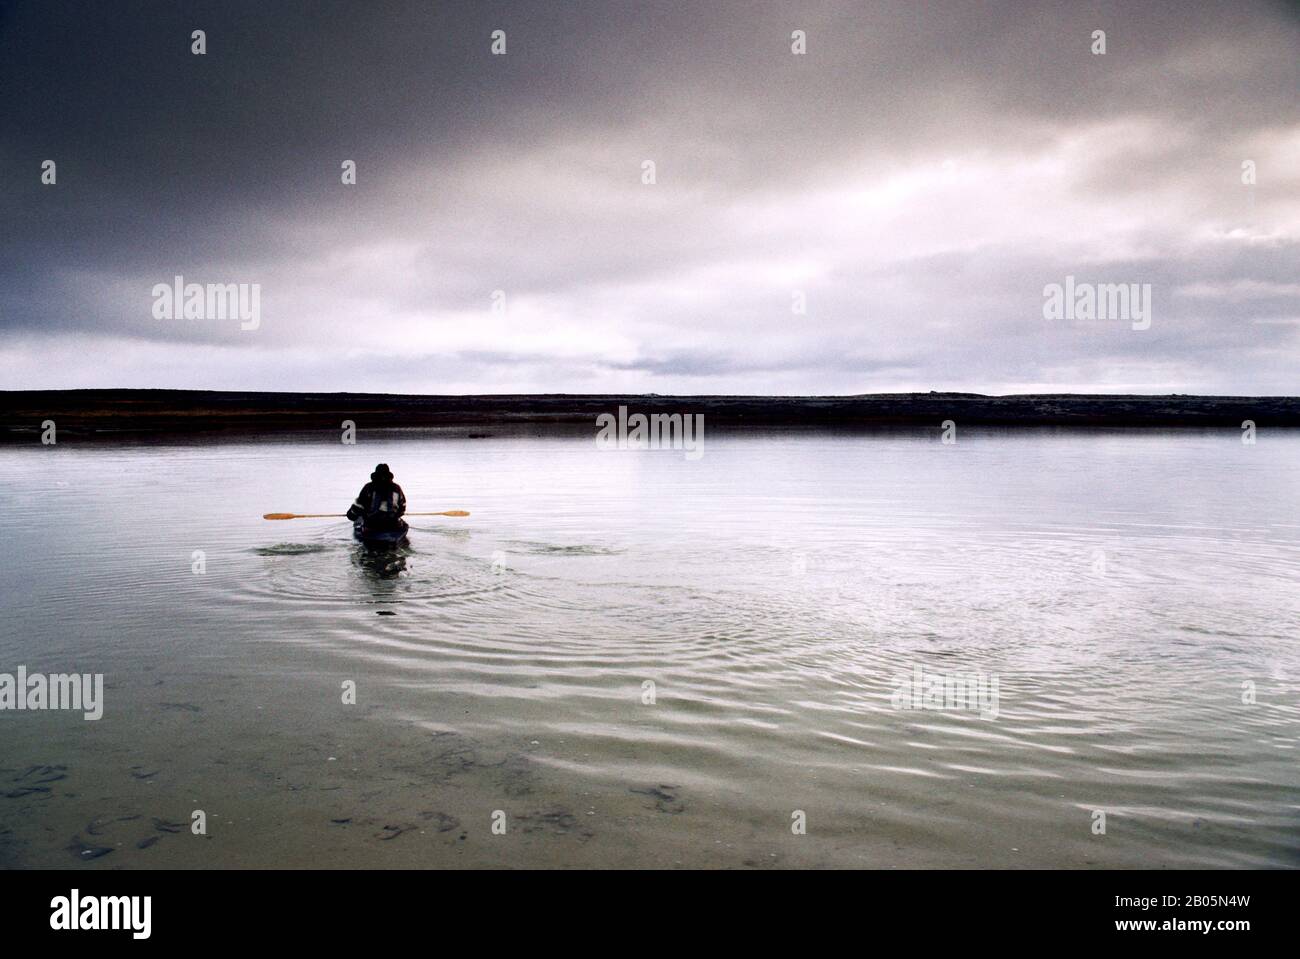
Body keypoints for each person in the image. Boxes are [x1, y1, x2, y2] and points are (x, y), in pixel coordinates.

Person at [347, 463, 407, 531]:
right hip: (392, 524)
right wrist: (396, 515)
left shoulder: (368, 487)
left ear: (375, 474)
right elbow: (402, 507)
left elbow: (358, 506)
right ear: (389, 475)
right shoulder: (396, 488)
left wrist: (350, 514)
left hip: (372, 524)